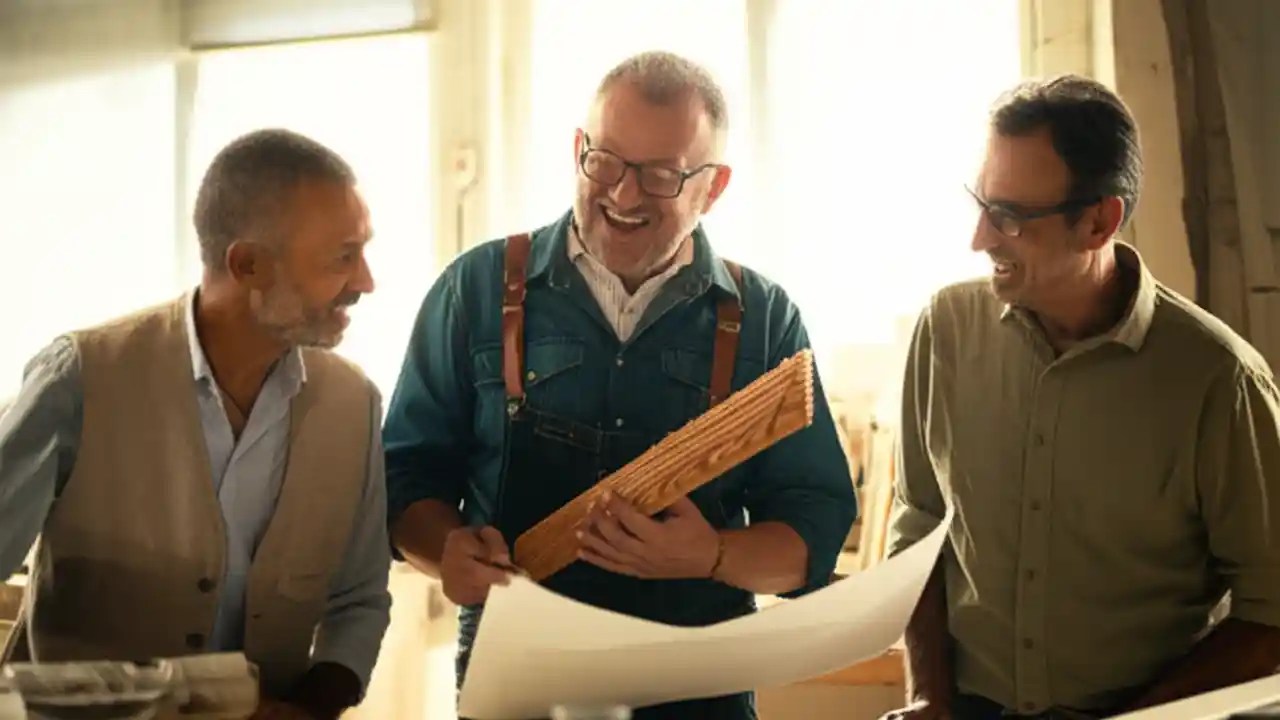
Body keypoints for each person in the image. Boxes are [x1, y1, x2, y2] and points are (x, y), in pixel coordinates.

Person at [383, 50, 857, 719]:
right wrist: (445, 552)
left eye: (661, 175)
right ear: (579, 149)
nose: (623, 195)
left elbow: (812, 531)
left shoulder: (764, 318)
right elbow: (405, 477)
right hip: (520, 683)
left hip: (697, 690)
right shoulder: (476, 289)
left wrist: (713, 555)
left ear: (712, 186)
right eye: (604, 162)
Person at [882, 75, 1280, 720]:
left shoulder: (1219, 381)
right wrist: (929, 698)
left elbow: (1271, 613)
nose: (980, 238)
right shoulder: (946, 331)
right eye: (981, 203)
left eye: (1009, 215)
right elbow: (921, 530)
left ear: (1099, 221)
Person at [0, 129, 391, 720]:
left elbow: (360, 599)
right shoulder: (79, 377)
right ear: (247, 264)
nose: (365, 281)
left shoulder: (354, 402)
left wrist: (311, 708)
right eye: (342, 256)